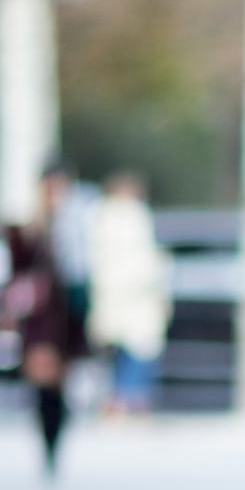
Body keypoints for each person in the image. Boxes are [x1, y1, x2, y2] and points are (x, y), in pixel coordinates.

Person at [1, 164, 91, 476]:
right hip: (40, 317)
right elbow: (17, 265)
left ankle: (56, 440)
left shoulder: (79, 222)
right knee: (42, 379)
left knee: (60, 383)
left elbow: (84, 270)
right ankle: (48, 447)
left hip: (68, 314)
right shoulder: (30, 224)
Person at [87, 172, 171, 414]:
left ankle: (121, 400)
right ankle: (126, 401)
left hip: (117, 302)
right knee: (136, 353)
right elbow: (143, 262)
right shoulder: (130, 217)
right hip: (133, 301)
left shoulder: (100, 216)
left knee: (122, 354)